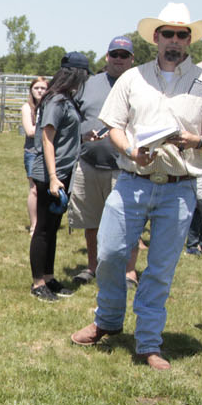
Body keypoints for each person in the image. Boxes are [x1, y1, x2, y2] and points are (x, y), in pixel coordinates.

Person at [70, 3, 202, 371]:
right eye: (168, 34)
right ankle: (108, 319)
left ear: (190, 39)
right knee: (110, 254)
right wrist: (129, 149)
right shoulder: (133, 78)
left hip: (179, 186)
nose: (174, 41)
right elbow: (112, 125)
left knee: (160, 267)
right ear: (155, 38)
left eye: (182, 34)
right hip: (131, 180)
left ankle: (148, 341)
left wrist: (194, 140)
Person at [67, 36, 140, 285]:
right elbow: (72, 118)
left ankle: (129, 272)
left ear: (132, 59)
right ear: (107, 57)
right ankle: (93, 267)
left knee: (128, 223)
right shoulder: (89, 84)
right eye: (115, 54)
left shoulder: (139, 85)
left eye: (124, 55)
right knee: (92, 221)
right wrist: (80, 135)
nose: (119, 59)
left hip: (125, 166)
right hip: (88, 164)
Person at [27, 59, 87, 300]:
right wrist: (52, 177)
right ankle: (37, 283)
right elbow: (47, 139)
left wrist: (85, 138)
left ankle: (49, 278)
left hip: (63, 172)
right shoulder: (56, 101)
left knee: (52, 228)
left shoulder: (66, 99)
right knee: (42, 228)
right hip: (50, 174)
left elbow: (63, 135)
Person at [20, 76, 49, 231]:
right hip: (32, 152)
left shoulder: (50, 107)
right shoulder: (27, 108)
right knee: (34, 189)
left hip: (48, 152)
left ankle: (45, 222)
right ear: (31, 90)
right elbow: (30, 131)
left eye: (43, 88)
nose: (39, 91)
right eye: (36, 88)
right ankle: (34, 225)